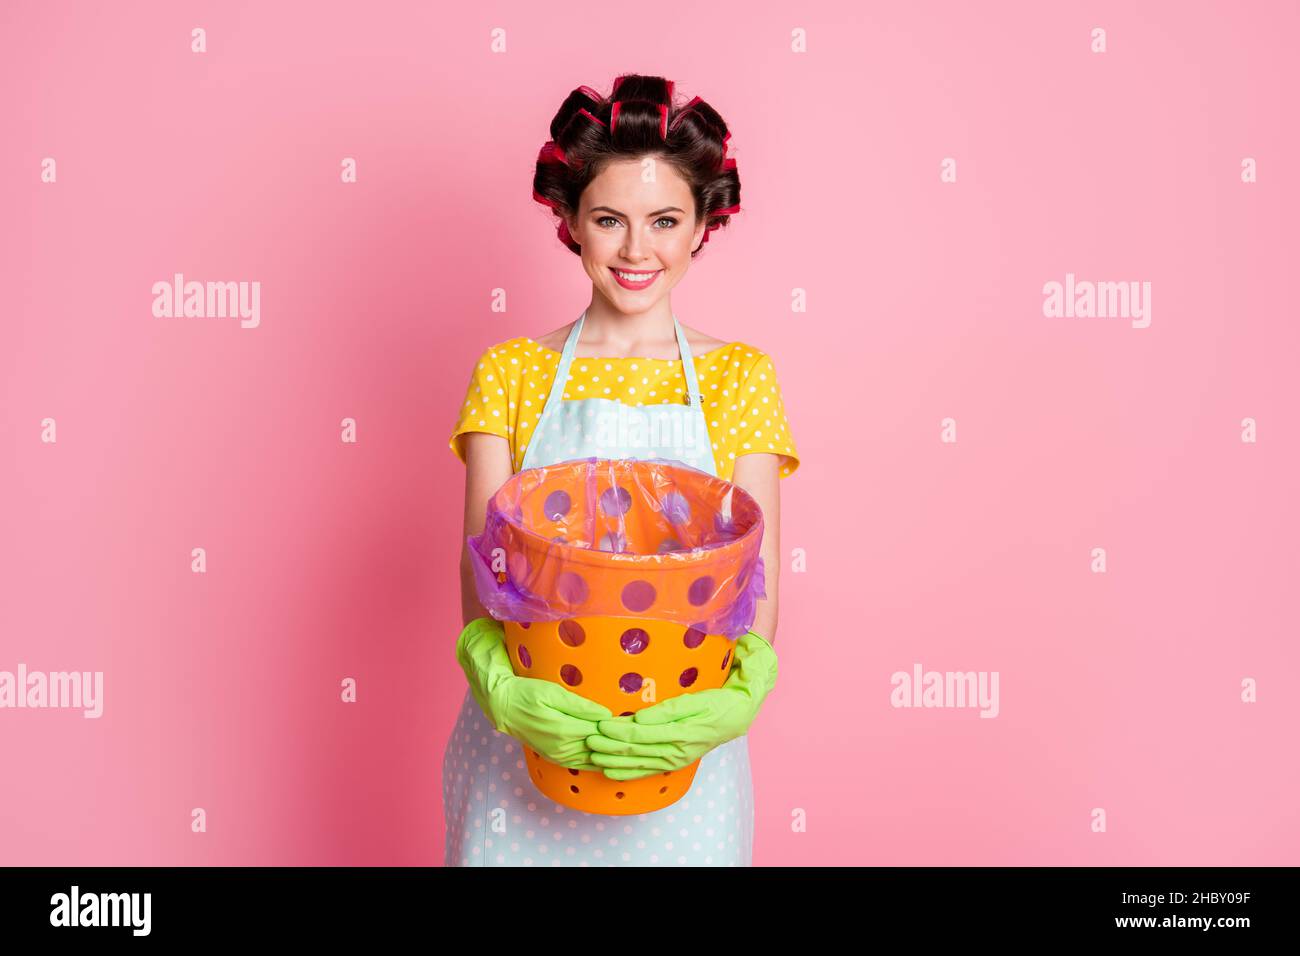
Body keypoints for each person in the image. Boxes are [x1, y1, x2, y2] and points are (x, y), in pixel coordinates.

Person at [442, 74, 800, 866]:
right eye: (610, 219)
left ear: (705, 224)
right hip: (524, 748)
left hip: (684, 756)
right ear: (571, 222)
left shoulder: (740, 377)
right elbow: (484, 573)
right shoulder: (511, 373)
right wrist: (505, 691)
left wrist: (730, 704)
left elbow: (758, 579)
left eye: (665, 220)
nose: (638, 251)